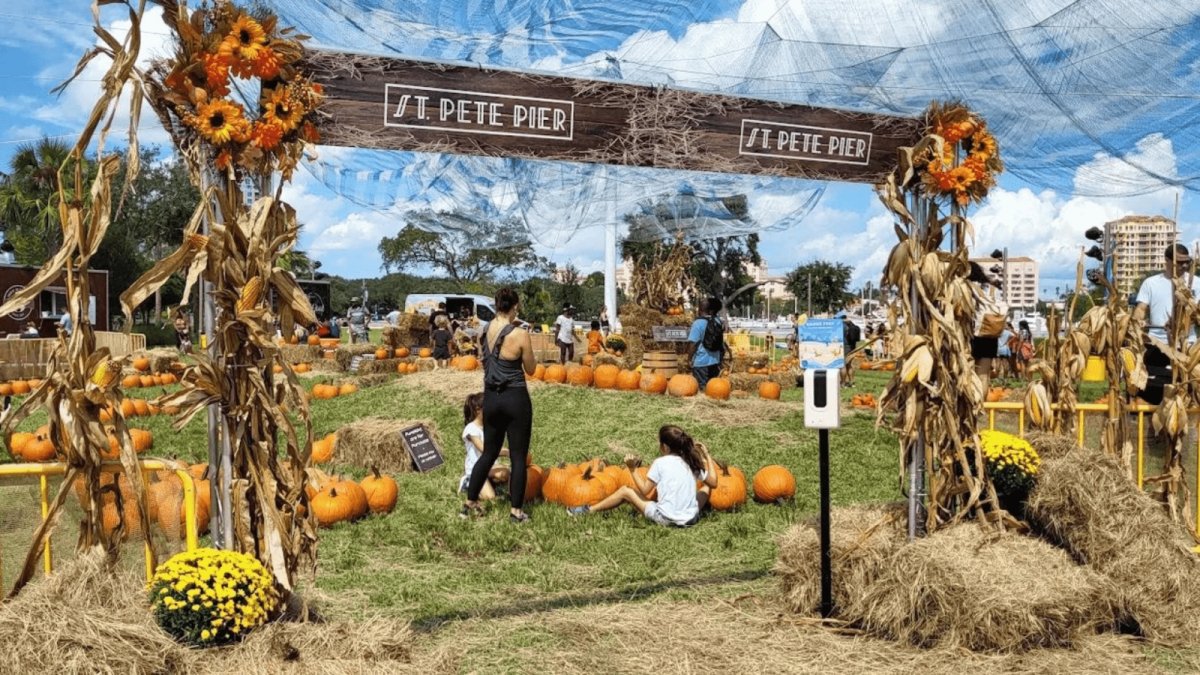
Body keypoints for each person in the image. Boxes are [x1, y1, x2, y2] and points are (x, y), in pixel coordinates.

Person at [461, 287, 536, 523]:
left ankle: (470, 502)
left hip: (491, 398)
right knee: (517, 456)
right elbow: (531, 369)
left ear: (496, 305)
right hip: (515, 398)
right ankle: (516, 511)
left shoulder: (483, 330)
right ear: (515, 306)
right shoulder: (520, 334)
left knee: (489, 453)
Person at [567, 425, 718, 527]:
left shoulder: (660, 463)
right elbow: (714, 483)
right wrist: (706, 455)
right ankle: (686, 512)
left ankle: (589, 510)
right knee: (705, 488)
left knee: (625, 490)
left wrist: (632, 469)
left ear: (665, 447)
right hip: (691, 519)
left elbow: (645, 491)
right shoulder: (691, 462)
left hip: (665, 519)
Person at [1133, 243, 1200, 405]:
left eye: (1187, 262)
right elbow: (1141, 309)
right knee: (1155, 388)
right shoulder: (1151, 283)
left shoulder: (1196, 283)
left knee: (1190, 388)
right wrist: (1138, 322)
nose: (1184, 266)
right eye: (1179, 262)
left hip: (1187, 346)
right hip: (1158, 344)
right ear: (1167, 261)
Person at [460, 392, 510, 500]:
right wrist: (508, 452)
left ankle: (490, 483)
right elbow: (484, 449)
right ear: (478, 410)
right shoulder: (471, 429)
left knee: (505, 474)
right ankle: (468, 483)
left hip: (490, 467)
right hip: (476, 470)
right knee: (490, 497)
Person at [968, 262, 1006, 381]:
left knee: (970, 374)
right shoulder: (993, 289)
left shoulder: (967, 287)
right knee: (983, 376)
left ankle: (971, 399)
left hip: (972, 333)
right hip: (990, 334)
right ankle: (981, 400)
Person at [687, 297, 726, 390]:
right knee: (713, 389)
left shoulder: (698, 323)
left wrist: (689, 359)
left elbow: (693, 344)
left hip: (701, 362)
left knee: (702, 389)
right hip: (715, 361)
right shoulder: (717, 321)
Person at [841, 316, 861, 386]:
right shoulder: (852, 325)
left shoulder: (842, 326)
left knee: (842, 365)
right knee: (849, 365)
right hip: (852, 346)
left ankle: (843, 383)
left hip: (845, 346)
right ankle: (852, 382)